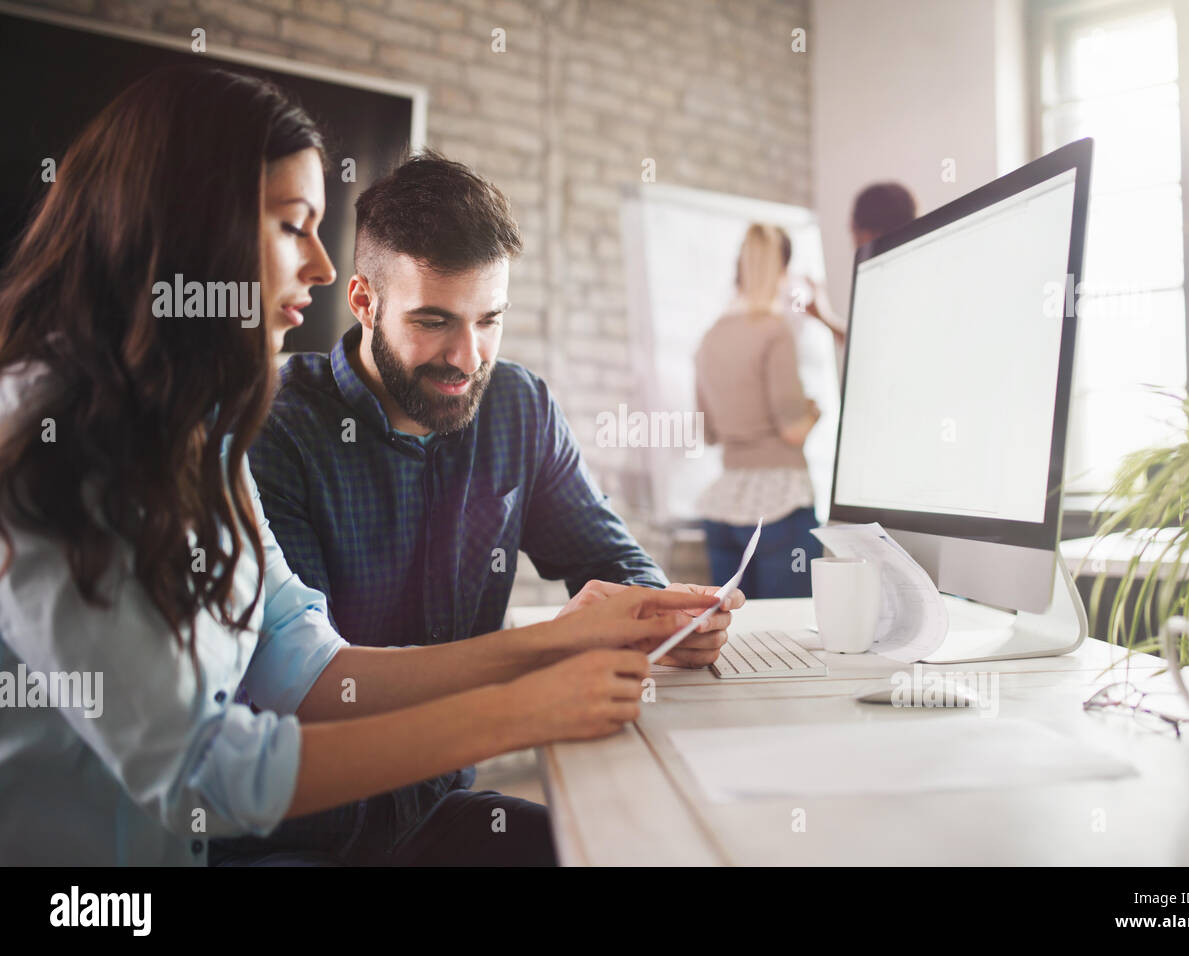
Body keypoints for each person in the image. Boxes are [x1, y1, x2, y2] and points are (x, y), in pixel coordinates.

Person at [0, 65, 719, 866]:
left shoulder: (202, 429)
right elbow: (208, 773)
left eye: (490, 321)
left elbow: (304, 664)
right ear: (188, 230)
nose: (314, 262)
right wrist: (520, 707)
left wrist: (564, 640)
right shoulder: (50, 439)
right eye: (290, 224)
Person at [208, 148, 738, 865]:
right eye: (434, 321)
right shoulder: (273, 426)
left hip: (434, 813)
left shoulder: (517, 405)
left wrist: (663, 617)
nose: (467, 356)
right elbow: (310, 684)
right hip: (297, 834)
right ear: (363, 300)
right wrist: (537, 679)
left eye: (489, 320)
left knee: (623, 850)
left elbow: (609, 559)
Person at [694, 223, 822, 599]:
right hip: (779, 506)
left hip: (724, 510)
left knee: (735, 636)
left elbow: (709, 432)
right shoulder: (775, 329)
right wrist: (815, 410)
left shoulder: (709, 336)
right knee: (791, 640)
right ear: (782, 271)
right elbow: (792, 430)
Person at [805, 181, 919, 345]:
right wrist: (825, 317)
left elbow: (867, 346)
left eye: (852, 229)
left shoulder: (884, 288)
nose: (853, 243)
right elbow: (866, 343)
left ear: (867, 234)